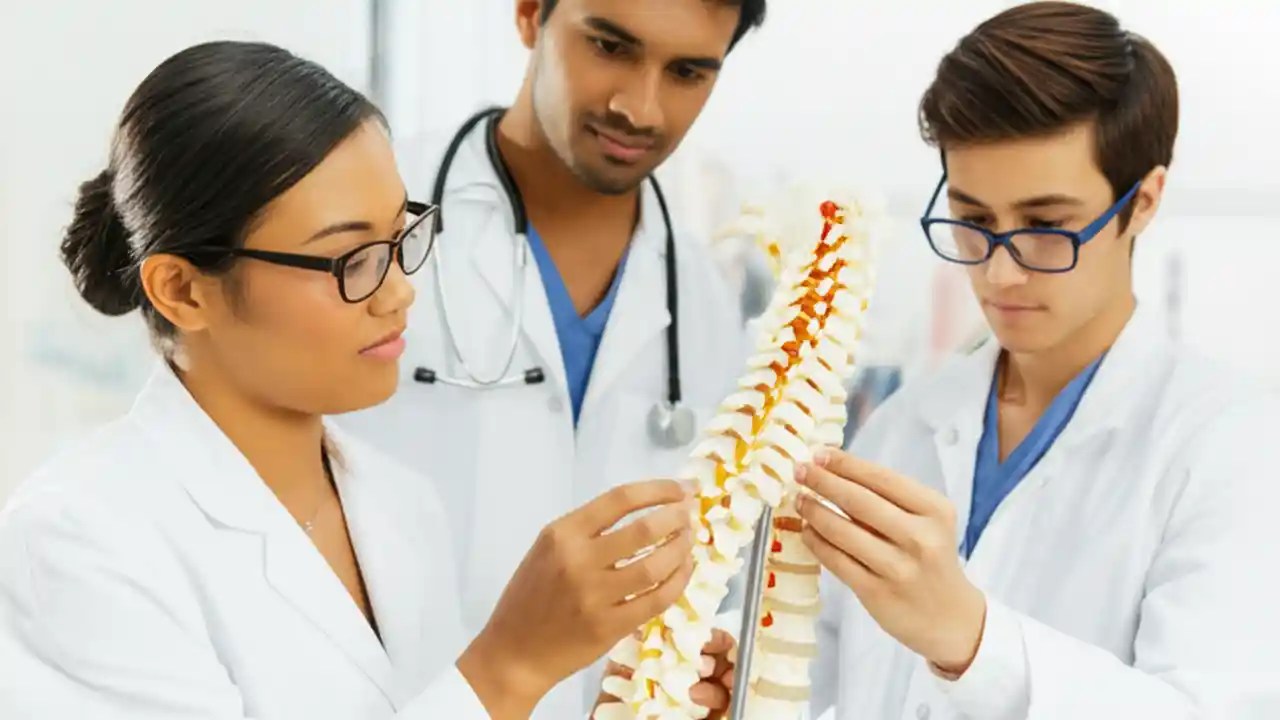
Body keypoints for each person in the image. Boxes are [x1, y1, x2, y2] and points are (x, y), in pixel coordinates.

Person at [0, 41, 737, 719]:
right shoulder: (77, 542)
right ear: (183, 291)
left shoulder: (396, 501)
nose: (399, 293)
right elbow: (477, 696)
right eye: (351, 260)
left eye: (400, 238)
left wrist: (626, 706)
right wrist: (511, 667)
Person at [793, 3, 1280, 719]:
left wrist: (970, 640)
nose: (999, 274)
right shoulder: (902, 429)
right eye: (974, 221)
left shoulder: (1233, 445)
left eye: (1047, 227)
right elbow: (824, 690)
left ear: (1142, 201)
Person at [339, 1, 767, 716]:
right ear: (532, 14)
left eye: (688, 71)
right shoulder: (369, 223)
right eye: (608, 46)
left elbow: (712, 574)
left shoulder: (702, 297)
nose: (640, 106)